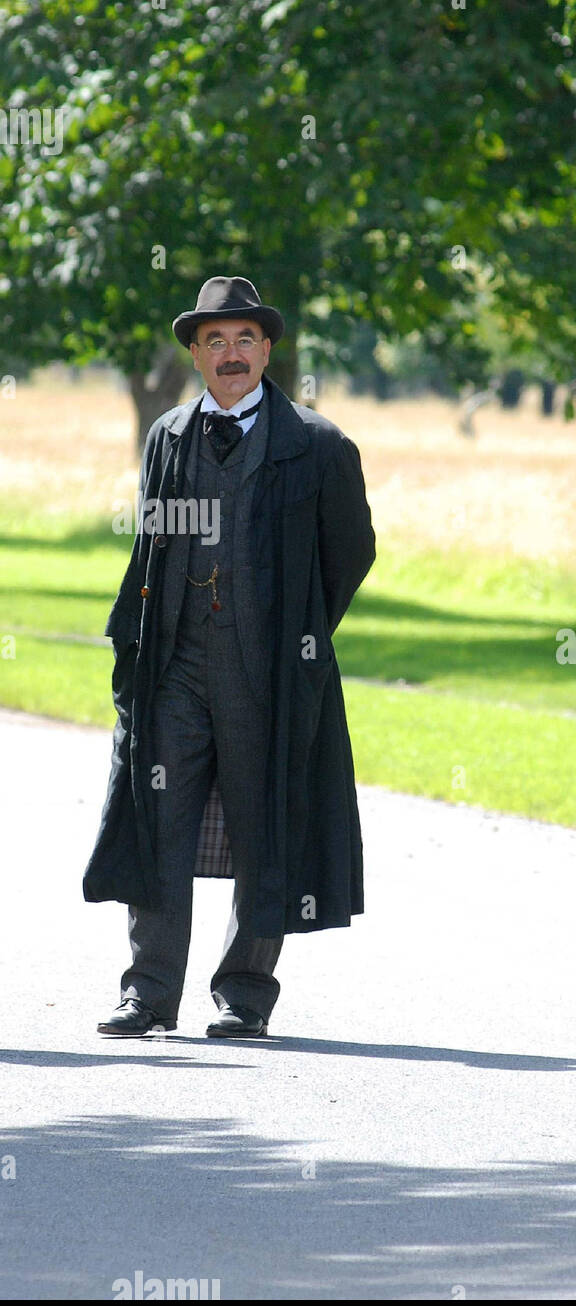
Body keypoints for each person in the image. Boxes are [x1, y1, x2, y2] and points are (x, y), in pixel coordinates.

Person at [83, 275, 376, 1038]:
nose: (232, 353)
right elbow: (153, 545)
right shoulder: (167, 437)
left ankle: (244, 992)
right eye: (215, 341)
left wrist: (296, 634)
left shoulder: (317, 446)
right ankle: (148, 993)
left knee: (264, 824)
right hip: (175, 667)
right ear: (195, 353)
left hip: (268, 674)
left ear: (268, 348)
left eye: (245, 338)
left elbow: (348, 554)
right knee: (157, 819)